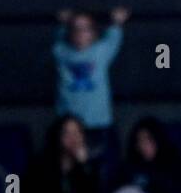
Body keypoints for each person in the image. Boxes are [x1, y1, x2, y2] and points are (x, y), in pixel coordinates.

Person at [53, 8, 128, 139]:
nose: (80, 33)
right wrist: (63, 24)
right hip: (69, 126)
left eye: (85, 28)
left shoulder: (101, 51)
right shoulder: (61, 52)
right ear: (70, 32)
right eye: (76, 28)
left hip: (97, 123)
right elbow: (58, 38)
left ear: (93, 33)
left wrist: (117, 21)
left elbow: (114, 35)